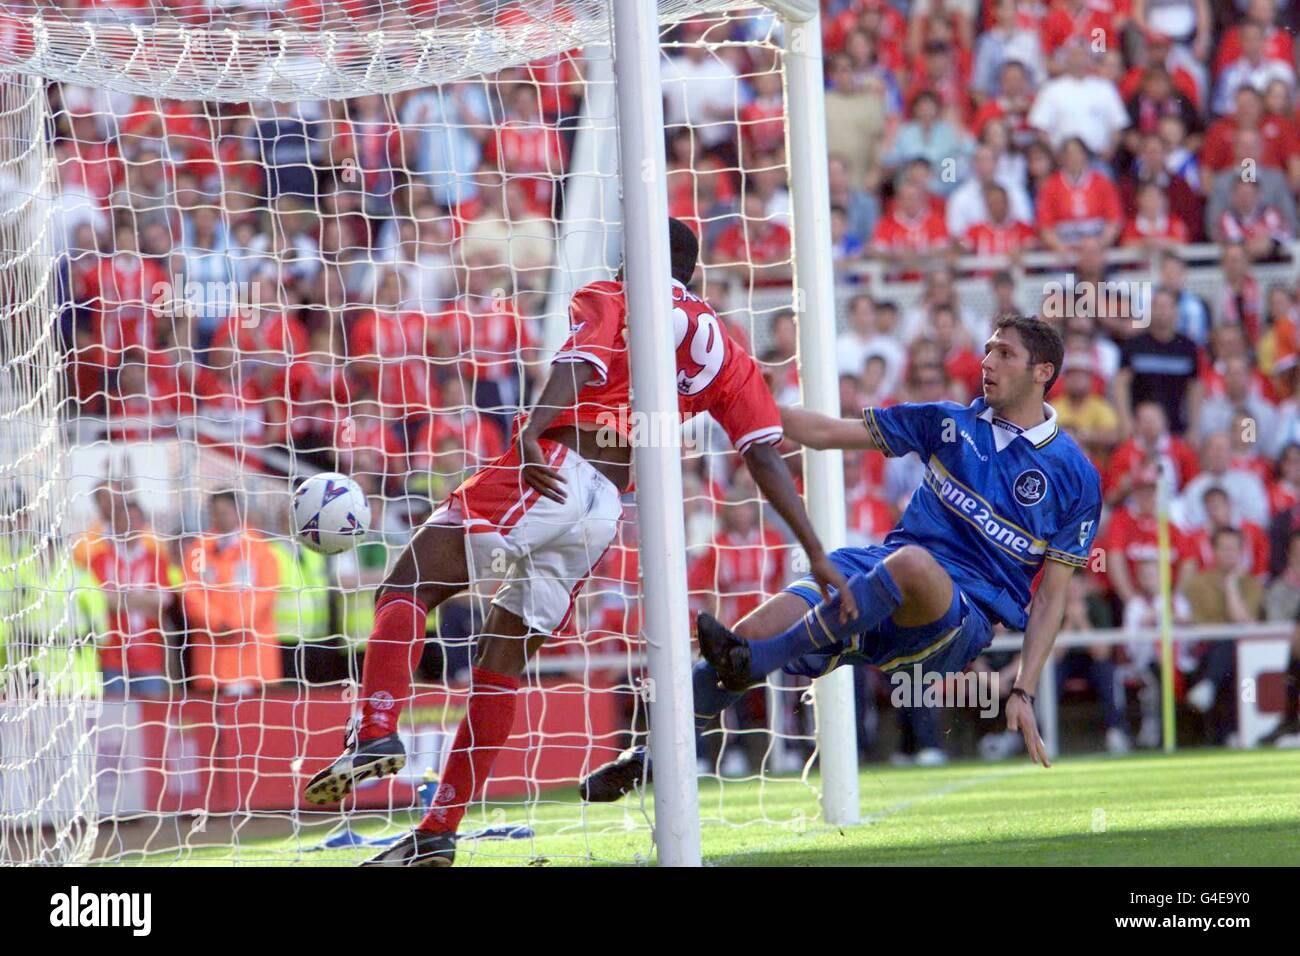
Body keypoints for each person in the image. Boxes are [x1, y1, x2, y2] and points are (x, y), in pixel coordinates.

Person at [302, 219, 849, 866]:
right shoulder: (727, 350)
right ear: (694, 275)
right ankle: (438, 832)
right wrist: (814, 550)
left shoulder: (617, 293)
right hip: (601, 514)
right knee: (500, 660)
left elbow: (580, 361)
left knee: (406, 584)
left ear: (632, 261)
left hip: (555, 467)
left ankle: (375, 731)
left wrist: (534, 428)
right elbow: (764, 456)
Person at [584, 316, 1102, 800]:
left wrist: (1024, 690)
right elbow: (826, 432)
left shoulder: (1074, 475)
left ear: (1043, 372)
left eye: (1004, 353)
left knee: (914, 564)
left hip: (955, 620)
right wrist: (729, 400)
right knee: (742, 639)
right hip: (880, 573)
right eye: (987, 349)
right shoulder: (947, 421)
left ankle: (769, 660)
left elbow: (1053, 593)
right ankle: (651, 755)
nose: (987, 361)